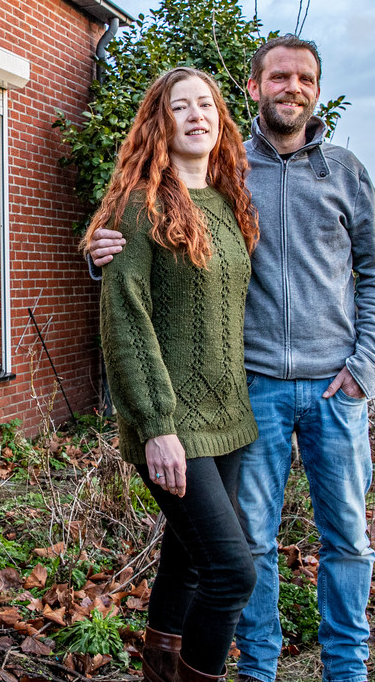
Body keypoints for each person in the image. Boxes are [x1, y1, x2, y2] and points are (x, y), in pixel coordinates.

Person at [90, 37, 375, 682]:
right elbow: (137, 276)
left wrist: (365, 368)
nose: (293, 87)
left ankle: (347, 671)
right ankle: (257, 668)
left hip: (328, 388)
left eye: (305, 78)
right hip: (253, 388)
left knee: (344, 539)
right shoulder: (232, 171)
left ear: (317, 90)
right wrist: (98, 255)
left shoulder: (325, 172)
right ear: (255, 89)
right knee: (242, 553)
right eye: (278, 76)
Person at [89, 67, 262, 682]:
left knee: (189, 560)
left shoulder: (228, 202)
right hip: (173, 423)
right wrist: (156, 426)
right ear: (160, 123)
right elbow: (125, 320)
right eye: (181, 106)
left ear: (221, 119)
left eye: (207, 105)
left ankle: (162, 669)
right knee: (232, 573)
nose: (197, 116)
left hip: (228, 417)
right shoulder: (138, 206)